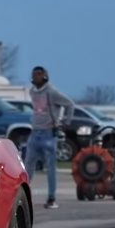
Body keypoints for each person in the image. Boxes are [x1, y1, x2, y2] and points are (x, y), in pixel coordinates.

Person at [24, 66, 75, 209]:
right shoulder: (32, 91)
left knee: (50, 168)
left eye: (39, 74)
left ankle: (51, 197)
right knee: (28, 165)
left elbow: (70, 104)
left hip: (48, 133)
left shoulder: (52, 92)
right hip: (35, 132)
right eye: (34, 74)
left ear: (45, 76)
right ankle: (23, 195)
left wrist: (65, 121)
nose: (36, 77)